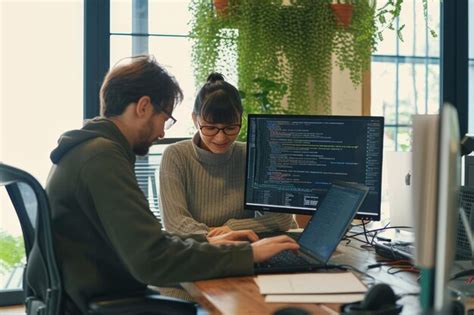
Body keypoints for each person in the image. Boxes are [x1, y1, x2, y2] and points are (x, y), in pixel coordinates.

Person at [39, 55, 299, 314]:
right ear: (143, 106)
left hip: (88, 293)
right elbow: (152, 259)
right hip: (95, 302)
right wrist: (247, 255)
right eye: (164, 119)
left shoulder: (90, 150)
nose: (163, 133)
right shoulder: (102, 158)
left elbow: (148, 243)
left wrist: (210, 242)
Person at [160, 73, 295, 237]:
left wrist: (233, 228)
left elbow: (281, 220)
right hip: (199, 251)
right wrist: (222, 235)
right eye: (210, 128)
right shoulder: (176, 156)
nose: (221, 137)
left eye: (230, 128)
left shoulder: (254, 156)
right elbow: (175, 223)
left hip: (247, 249)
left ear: (241, 120)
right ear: (195, 120)